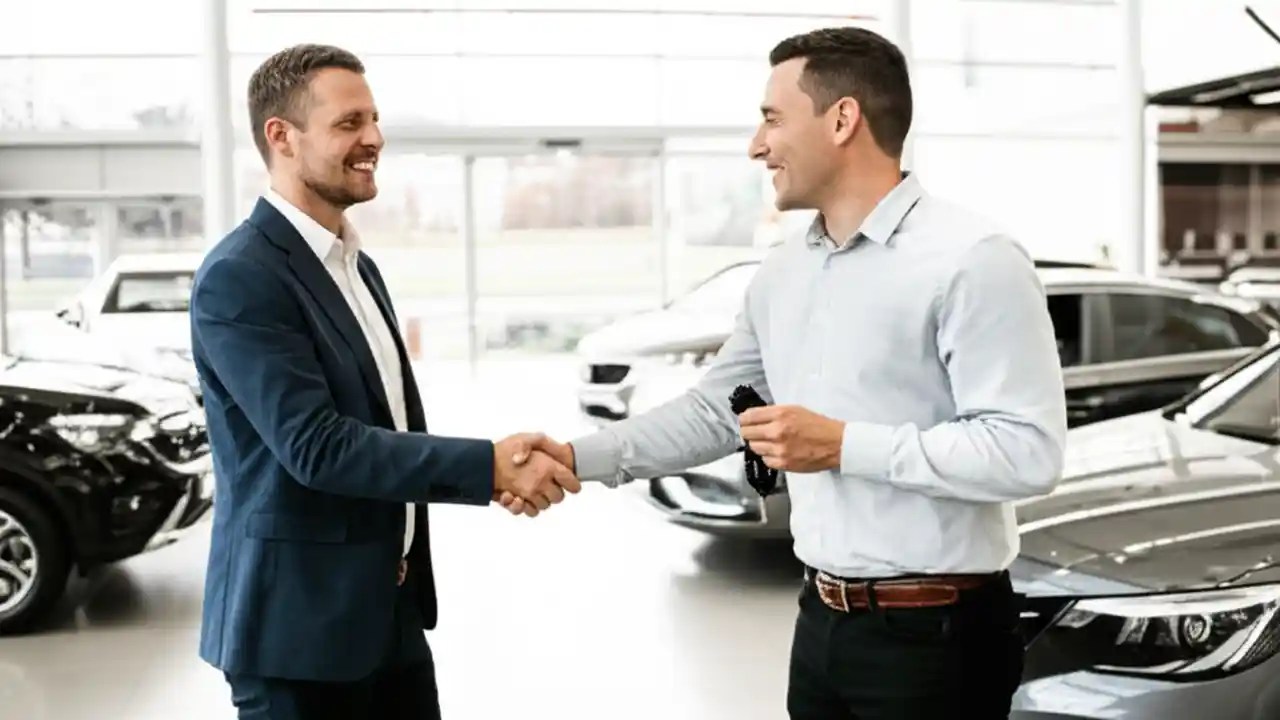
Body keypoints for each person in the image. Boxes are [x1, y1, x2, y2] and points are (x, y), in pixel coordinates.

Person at [507, 26, 1066, 719]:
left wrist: (841, 445)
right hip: (820, 621)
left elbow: (1025, 450)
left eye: (772, 118)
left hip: (940, 638)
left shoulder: (973, 258)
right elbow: (718, 410)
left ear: (842, 119)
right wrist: (574, 458)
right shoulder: (784, 271)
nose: (756, 145)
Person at [191, 43, 580, 720]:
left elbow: (386, 424)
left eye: (373, 119)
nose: (373, 138)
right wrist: (487, 467)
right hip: (297, 634)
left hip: (387, 611)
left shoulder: (357, 267)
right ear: (281, 137)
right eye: (349, 123)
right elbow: (318, 446)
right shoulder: (242, 276)